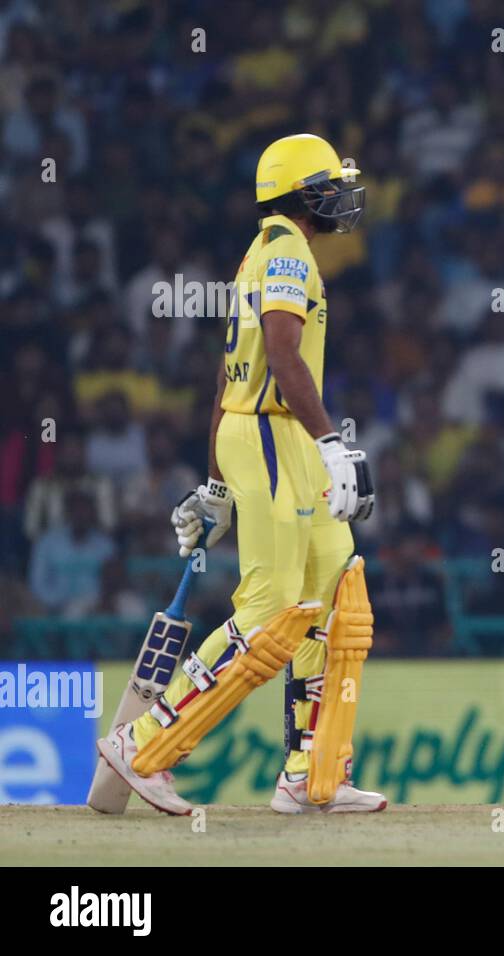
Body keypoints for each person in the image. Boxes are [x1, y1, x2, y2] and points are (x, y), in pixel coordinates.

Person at [96, 134, 385, 815]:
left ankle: (312, 773)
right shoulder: (285, 251)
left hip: (261, 432)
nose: (342, 194)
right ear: (300, 192)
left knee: (338, 593)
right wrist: (333, 444)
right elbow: (282, 358)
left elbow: (229, 376)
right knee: (272, 611)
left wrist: (218, 483)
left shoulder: (264, 252)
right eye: (330, 183)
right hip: (273, 434)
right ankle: (144, 743)